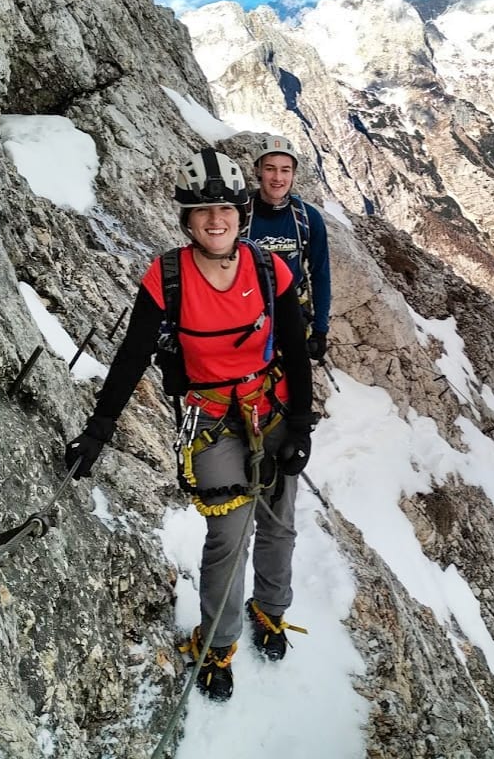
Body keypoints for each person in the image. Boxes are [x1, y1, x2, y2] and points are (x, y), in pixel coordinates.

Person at [64, 147, 316, 702]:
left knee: (279, 522)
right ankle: (218, 643)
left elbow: (296, 352)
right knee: (229, 535)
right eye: (203, 210)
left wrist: (301, 425)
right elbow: (132, 356)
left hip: (271, 409)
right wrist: (99, 429)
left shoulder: (268, 270)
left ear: (240, 214)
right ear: (187, 219)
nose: (215, 219)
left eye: (224, 208)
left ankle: (271, 610)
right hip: (211, 419)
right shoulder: (168, 277)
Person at [244, 135, 332, 363]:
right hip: (245, 313)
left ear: (293, 174)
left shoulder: (308, 218)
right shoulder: (239, 214)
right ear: (257, 171)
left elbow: (321, 274)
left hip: (291, 311)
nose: (278, 178)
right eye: (270, 169)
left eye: (285, 170)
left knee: (295, 381)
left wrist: (320, 330)